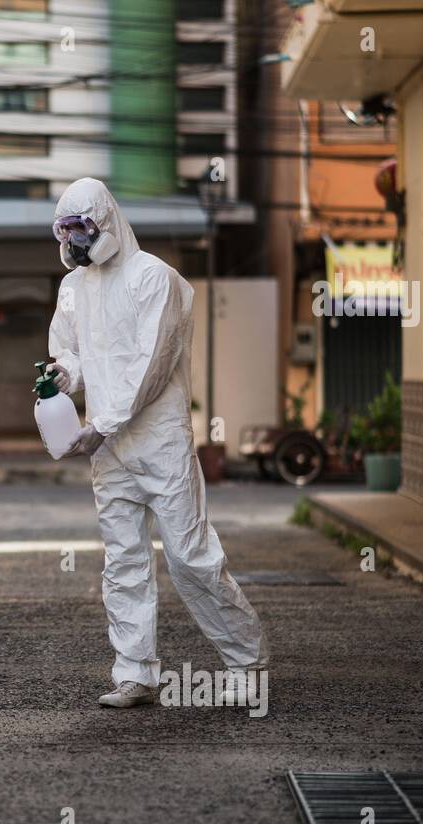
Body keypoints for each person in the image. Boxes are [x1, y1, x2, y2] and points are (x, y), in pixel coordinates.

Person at [46, 178, 268, 708]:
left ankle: (246, 664)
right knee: (122, 562)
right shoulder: (73, 288)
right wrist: (63, 376)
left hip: (159, 441)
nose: (75, 239)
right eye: (66, 230)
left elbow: (152, 363)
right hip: (109, 446)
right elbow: (72, 352)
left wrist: (105, 422)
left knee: (191, 558)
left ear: (104, 221)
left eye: (81, 227)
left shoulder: (154, 279)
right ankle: (135, 672)